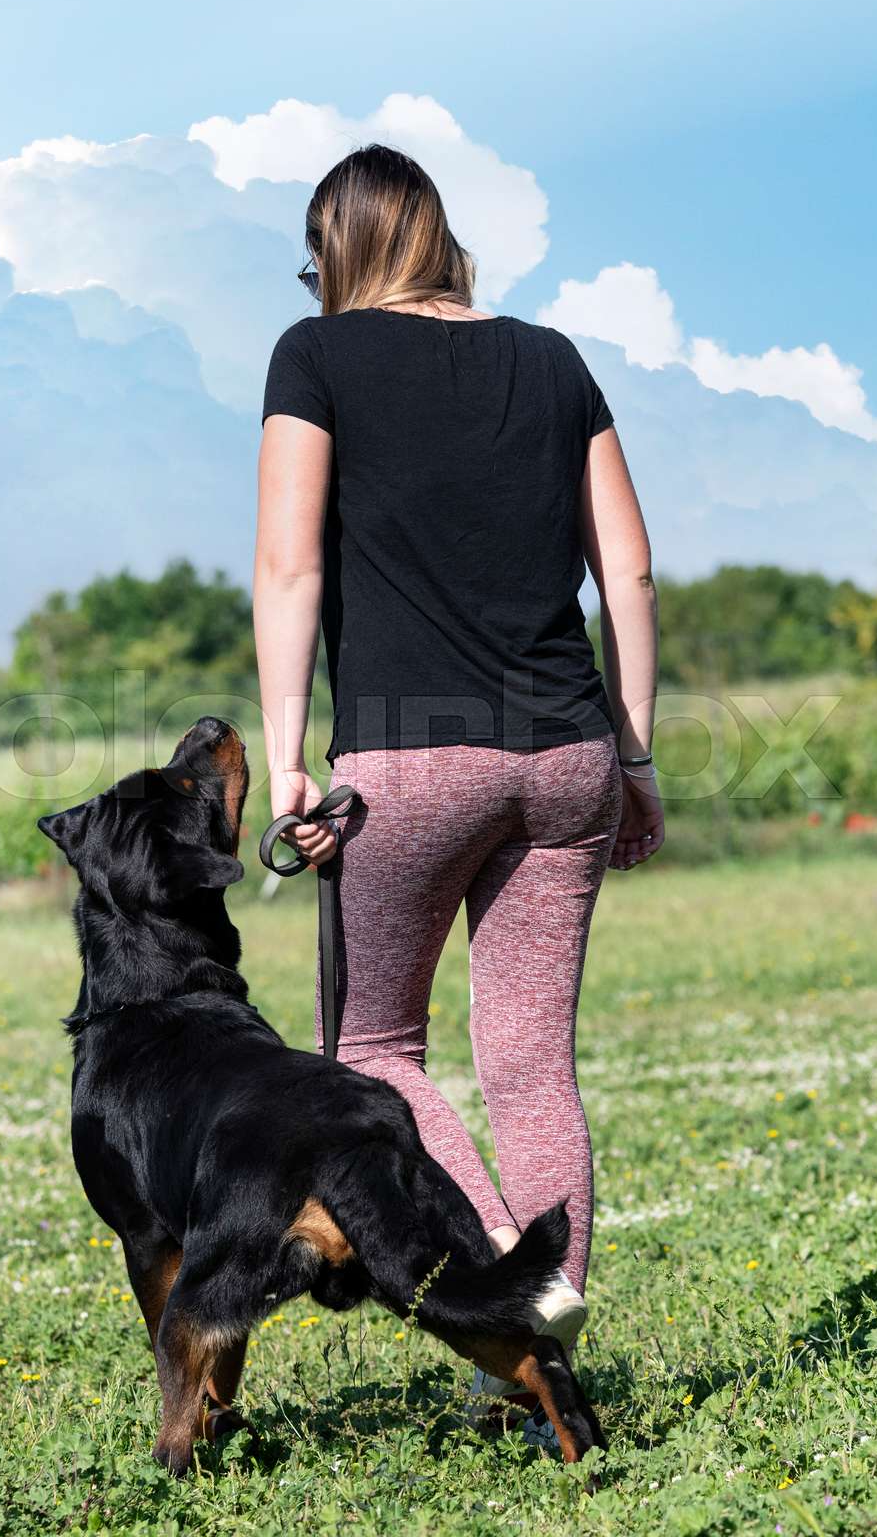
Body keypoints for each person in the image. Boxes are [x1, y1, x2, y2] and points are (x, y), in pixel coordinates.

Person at [254, 143, 662, 1429]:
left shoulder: (314, 356)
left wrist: (286, 759)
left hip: (407, 762)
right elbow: (627, 570)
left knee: (370, 1051)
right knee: (533, 1065)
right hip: (567, 755)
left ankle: (510, 1290)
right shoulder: (552, 359)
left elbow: (287, 567)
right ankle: (534, 1358)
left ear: (335, 253)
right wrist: (634, 753)